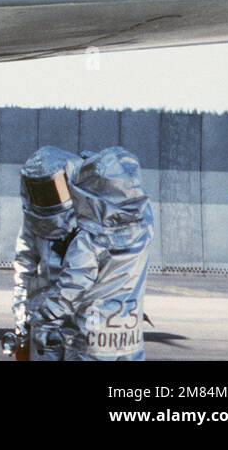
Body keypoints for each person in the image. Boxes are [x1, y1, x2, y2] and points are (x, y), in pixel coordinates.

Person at [34, 147, 155, 361]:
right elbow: (122, 188)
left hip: (93, 342)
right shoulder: (145, 226)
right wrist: (98, 165)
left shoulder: (88, 241)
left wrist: (44, 317)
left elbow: (72, 286)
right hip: (131, 341)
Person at [9, 146, 81, 361]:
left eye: (52, 189)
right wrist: (21, 318)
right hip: (44, 318)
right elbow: (23, 268)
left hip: (81, 318)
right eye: (39, 191)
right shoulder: (33, 220)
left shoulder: (89, 220)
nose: (46, 197)